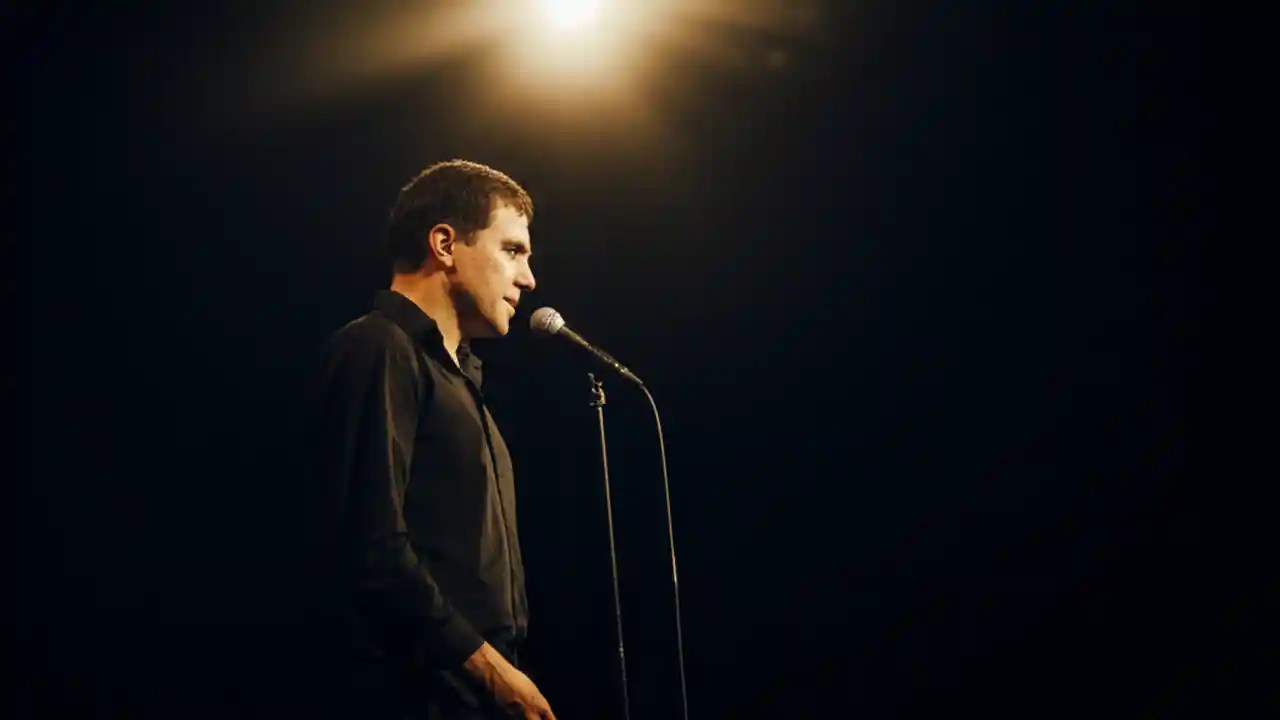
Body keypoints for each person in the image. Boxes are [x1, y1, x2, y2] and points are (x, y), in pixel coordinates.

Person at [307, 160, 556, 719]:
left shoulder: (460, 379)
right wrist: (491, 673)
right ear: (445, 243)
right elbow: (370, 548)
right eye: (513, 250)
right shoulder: (377, 349)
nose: (529, 279)